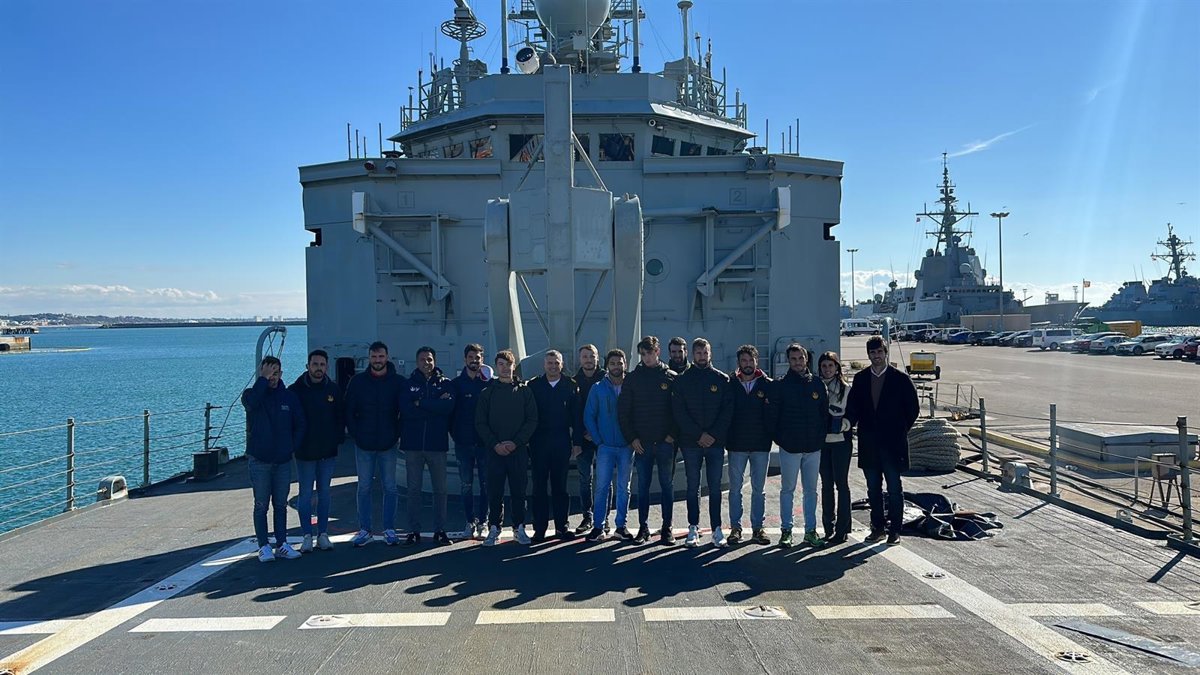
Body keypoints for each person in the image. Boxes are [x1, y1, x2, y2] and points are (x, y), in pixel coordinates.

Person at [845, 336, 920, 545]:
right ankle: (877, 527)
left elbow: (913, 409)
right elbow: (854, 408)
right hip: (869, 444)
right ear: (868, 355)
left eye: (879, 352)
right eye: (872, 353)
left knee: (895, 488)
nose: (876, 356)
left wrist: (899, 430)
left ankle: (894, 530)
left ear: (885, 353)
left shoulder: (901, 379)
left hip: (893, 444)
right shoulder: (860, 379)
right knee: (873, 489)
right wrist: (847, 423)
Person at [242, 356, 306, 563]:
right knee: (261, 505)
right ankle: (263, 546)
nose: (272, 377)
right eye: (268, 373)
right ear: (261, 373)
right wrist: (262, 380)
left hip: (282, 461)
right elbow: (251, 405)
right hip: (259, 461)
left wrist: (291, 447)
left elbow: (300, 424)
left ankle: (282, 544)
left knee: (280, 504)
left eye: (276, 372)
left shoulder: (289, 397)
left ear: (281, 374)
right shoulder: (252, 395)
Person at [672, 338, 734, 548]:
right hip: (691, 443)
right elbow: (679, 413)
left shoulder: (722, 380)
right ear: (692, 354)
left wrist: (712, 435)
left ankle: (717, 529)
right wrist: (699, 435)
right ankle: (693, 527)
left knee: (715, 487)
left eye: (705, 352)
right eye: (698, 353)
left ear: (710, 354)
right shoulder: (682, 380)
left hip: (715, 443)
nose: (701, 356)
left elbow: (727, 412)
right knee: (692, 487)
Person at [618, 335, 679, 545]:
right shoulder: (633, 379)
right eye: (643, 354)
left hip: (664, 443)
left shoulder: (671, 377)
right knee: (642, 486)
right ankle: (643, 527)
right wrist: (632, 438)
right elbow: (623, 412)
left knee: (666, 485)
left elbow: (678, 411)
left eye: (650, 353)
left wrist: (672, 435)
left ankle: (667, 528)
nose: (647, 357)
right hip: (642, 444)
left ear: (658, 351)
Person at [344, 341, 405, 547]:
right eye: (373, 357)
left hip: (388, 443)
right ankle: (365, 529)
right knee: (364, 487)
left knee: (390, 487)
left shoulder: (397, 382)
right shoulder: (358, 382)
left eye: (380, 357)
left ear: (387, 357)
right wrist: (356, 434)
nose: (377, 360)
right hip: (364, 444)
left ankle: (389, 528)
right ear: (369, 358)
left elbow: (403, 412)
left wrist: (396, 434)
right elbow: (349, 411)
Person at [475, 350, 538, 546]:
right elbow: (480, 422)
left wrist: (516, 442)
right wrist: (495, 444)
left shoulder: (525, 391)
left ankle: (519, 527)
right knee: (495, 490)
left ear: (513, 366)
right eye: (500, 364)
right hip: (495, 451)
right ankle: (495, 527)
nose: (504, 368)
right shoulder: (487, 393)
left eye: (508, 364)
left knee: (519, 490)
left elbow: (532, 420)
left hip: (517, 451)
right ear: (496, 366)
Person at [772, 343, 830, 548]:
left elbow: (824, 414)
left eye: (800, 358)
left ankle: (810, 531)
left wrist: (819, 438)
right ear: (789, 361)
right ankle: (786, 530)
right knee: (787, 490)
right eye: (793, 359)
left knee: (811, 491)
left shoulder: (817, 384)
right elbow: (774, 417)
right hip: (790, 448)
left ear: (806, 359)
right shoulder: (780, 385)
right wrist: (782, 440)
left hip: (813, 448)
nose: (797, 362)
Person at [288, 349, 342, 553]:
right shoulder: (295, 390)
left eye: (321, 365)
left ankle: (323, 534)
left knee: (324, 493)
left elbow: (339, 417)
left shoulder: (334, 390)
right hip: (305, 452)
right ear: (307, 366)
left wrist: (336, 440)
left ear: (326, 367)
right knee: (304, 494)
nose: (318, 368)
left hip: (327, 451)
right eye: (315, 364)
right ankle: (306, 535)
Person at [400, 346, 455, 546]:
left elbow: (447, 408)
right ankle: (413, 530)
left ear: (435, 361)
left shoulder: (446, 384)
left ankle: (440, 529)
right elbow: (406, 411)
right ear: (417, 362)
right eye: (423, 359)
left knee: (440, 490)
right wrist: (433, 405)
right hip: (413, 446)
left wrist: (420, 403)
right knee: (413, 490)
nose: (427, 363)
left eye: (430, 359)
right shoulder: (407, 385)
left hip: (437, 445)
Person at [582, 349, 635, 542]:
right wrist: (599, 441)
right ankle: (598, 526)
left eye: (620, 363)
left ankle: (621, 526)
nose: (616, 366)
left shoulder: (632, 386)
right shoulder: (598, 388)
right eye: (613, 363)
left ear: (625, 365)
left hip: (627, 446)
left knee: (624, 487)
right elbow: (589, 415)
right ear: (607, 366)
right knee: (602, 487)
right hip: (605, 447)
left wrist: (633, 439)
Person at [528, 350, 580, 542]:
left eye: (556, 363)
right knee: (539, 487)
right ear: (544, 365)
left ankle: (561, 526)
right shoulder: (534, 386)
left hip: (561, 440)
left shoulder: (570, 386)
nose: (552, 366)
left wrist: (577, 443)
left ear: (562, 364)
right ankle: (539, 528)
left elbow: (576, 416)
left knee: (560, 487)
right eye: (549, 363)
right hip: (538, 442)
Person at [725, 345, 774, 546]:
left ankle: (757, 528)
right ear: (739, 363)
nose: (747, 364)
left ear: (756, 362)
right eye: (743, 361)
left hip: (761, 445)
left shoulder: (768, 384)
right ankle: (735, 528)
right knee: (735, 489)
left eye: (750, 361)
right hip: (736, 445)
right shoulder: (730, 383)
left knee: (758, 489)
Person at [450, 344, 490, 539]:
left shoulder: (488, 384)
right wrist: (456, 435)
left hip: (484, 444)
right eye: (471, 357)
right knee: (466, 485)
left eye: (478, 357)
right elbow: (451, 413)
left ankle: (483, 522)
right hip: (463, 443)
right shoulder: (456, 384)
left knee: (486, 485)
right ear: (465, 359)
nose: (475, 360)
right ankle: (469, 522)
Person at [572, 344, 609, 535]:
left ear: (597, 358)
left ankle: (605, 518)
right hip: (583, 438)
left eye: (591, 356)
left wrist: (596, 433)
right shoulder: (573, 382)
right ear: (580, 359)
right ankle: (587, 516)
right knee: (585, 479)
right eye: (585, 356)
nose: (588, 360)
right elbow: (573, 414)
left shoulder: (607, 379)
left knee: (605, 480)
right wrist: (578, 440)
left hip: (604, 438)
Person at [818, 351, 854, 546]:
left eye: (831, 365)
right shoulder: (815, 387)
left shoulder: (846, 389)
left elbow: (854, 413)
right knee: (826, 486)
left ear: (837, 367)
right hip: (822, 444)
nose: (827, 369)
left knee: (842, 485)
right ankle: (828, 527)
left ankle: (842, 529)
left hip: (840, 443)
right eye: (824, 366)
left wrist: (844, 425)